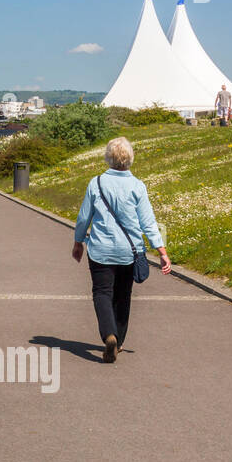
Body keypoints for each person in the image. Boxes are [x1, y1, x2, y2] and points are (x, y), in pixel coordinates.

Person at [71, 137, 172, 362]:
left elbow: (83, 217)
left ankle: (109, 335)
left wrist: (78, 241)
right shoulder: (137, 186)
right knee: (123, 295)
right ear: (130, 159)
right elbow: (148, 222)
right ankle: (120, 339)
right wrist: (162, 251)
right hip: (130, 250)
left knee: (102, 292)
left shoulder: (96, 183)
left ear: (108, 157)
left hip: (100, 249)